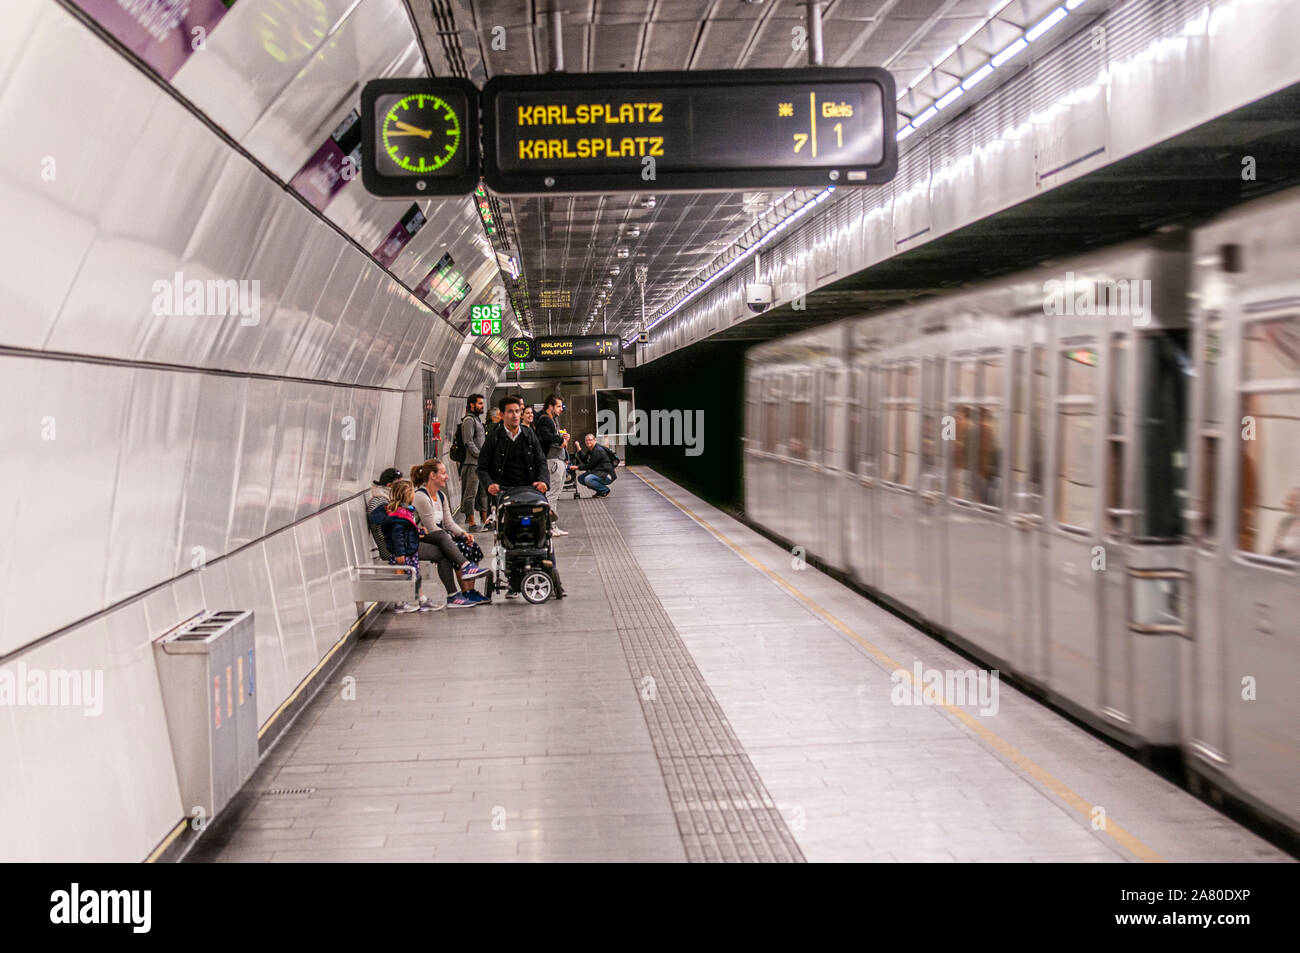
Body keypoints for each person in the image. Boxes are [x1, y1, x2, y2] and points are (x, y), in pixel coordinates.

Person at [477, 395, 552, 598]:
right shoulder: (493, 438)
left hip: (529, 491)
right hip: (505, 493)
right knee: (507, 536)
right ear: (502, 415)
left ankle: (544, 568)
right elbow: (482, 468)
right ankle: (512, 579)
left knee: (539, 531)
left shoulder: (529, 434)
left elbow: (541, 462)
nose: (515, 415)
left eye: (518, 411)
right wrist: (489, 484)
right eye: (511, 412)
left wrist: (544, 481)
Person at [411, 462, 488, 609]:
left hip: (440, 536)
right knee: (457, 547)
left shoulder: (441, 496)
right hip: (425, 537)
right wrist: (451, 537)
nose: (447, 477)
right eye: (443, 473)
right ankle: (464, 574)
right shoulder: (421, 497)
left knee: (470, 545)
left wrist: (464, 533)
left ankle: (469, 592)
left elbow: (449, 522)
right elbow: (431, 528)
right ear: (432, 476)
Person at [374, 479, 422, 613]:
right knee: (402, 576)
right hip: (402, 552)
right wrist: (400, 553)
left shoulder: (405, 512)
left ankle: (413, 599)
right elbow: (397, 535)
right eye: (413, 492)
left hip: (408, 550)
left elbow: (406, 531)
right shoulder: (399, 515)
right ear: (407, 495)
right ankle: (400, 602)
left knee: (412, 575)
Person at [534, 394, 570, 536]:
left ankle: (551, 525)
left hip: (556, 459)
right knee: (552, 494)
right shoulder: (545, 420)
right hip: (552, 460)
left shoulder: (551, 420)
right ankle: (549, 526)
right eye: (558, 406)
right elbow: (546, 436)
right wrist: (560, 438)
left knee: (555, 493)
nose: (561, 409)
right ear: (550, 406)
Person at [456, 394, 489, 530]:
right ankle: (471, 523)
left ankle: (485, 520)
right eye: (480, 404)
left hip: (480, 463)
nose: (482, 406)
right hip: (472, 463)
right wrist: (480, 456)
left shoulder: (477, 419)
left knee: (482, 492)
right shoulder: (469, 420)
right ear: (472, 405)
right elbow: (468, 442)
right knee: (470, 493)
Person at [366, 467, 402, 561]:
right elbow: (376, 519)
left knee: (437, 540)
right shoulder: (379, 500)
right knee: (437, 550)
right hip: (390, 549)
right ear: (389, 485)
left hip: (397, 544)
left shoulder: (388, 499)